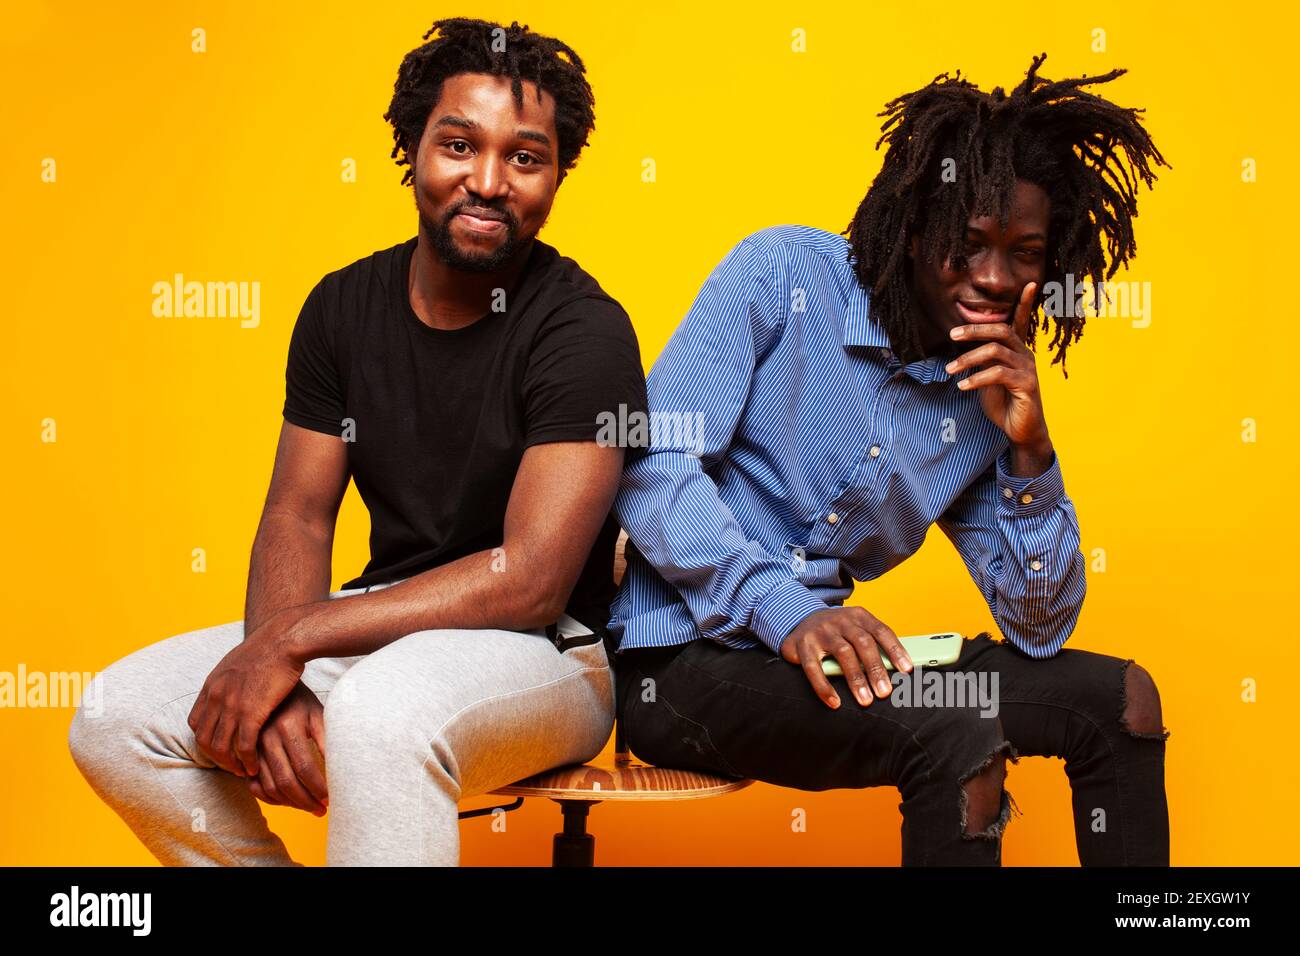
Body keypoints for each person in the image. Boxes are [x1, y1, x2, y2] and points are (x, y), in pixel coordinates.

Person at [67, 18, 647, 866]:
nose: (488, 181)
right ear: (410, 146)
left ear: (557, 174)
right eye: (458, 144)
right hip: (381, 626)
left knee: (382, 715)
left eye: (525, 157)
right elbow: (298, 514)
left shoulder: (584, 331)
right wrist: (281, 676)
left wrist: (292, 640)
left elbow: (527, 579)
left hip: (551, 655)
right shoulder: (341, 308)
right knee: (115, 715)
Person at [609, 54, 1172, 865]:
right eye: (968, 244)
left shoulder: (981, 401)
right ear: (914, 230)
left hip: (834, 668)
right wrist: (788, 611)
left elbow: (1037, 628)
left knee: (1119, 702)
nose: (992, 278)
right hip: (686, 662)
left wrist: (1030, 452)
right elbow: (652, 463)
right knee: (958, 732)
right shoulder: (781, 277)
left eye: (1025, 253)